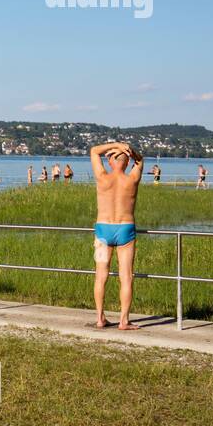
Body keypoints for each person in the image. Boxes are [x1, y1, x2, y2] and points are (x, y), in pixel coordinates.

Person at [89, 141, 143, 331]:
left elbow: (94, 151)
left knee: (100, 276)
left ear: (110, 161)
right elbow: (140, 160)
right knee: (126, 277)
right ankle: (123, 321)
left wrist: (116, 146)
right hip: (125, 229)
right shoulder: (132, 179)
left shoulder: (102, 177)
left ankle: (99, 318)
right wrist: (128, 150)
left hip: (103, 230)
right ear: (127, 163)